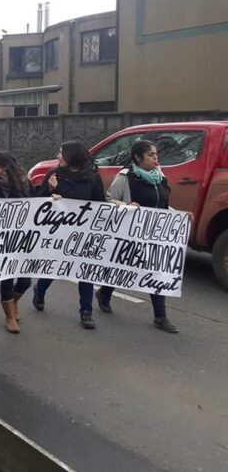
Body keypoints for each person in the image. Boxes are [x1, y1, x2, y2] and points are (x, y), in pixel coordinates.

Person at [99, 140, 180, 333]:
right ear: (137, 157)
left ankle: (160, 317)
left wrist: (179, 215)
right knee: (120, 267)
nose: (156, 158)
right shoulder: (125, 177)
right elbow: (108, 200)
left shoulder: (159, 177)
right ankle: (104, 293)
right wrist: (126, 207)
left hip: (154, 235)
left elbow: (161, 206)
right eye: (151, 155)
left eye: (156, 154)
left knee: (156, 272)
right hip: (130, 235)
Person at [33, 140, 106, 329]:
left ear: (73, 156)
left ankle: (86, 312)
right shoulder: (53, 175)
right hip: (58, 232)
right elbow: (38, 203)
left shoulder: (93, 178)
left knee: (85, 271)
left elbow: (100, 205)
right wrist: (49, 190)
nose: (58, 157)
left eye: (61, 153)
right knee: (54, 267)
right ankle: (39, 291)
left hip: (83, 233)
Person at [0, 151, 34, 334]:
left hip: (22, 238)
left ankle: (13, 302)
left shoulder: (24, 183)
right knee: (7, 276)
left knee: (25, 281)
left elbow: (36, 202)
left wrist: (51, 193)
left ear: (2, 167)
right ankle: (10, 316)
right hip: (1, 238)